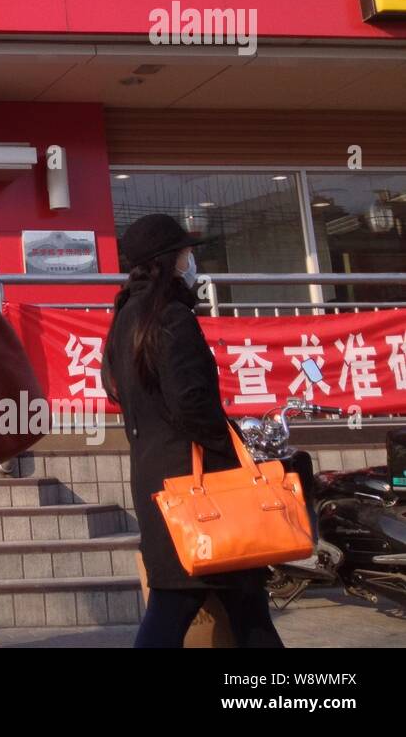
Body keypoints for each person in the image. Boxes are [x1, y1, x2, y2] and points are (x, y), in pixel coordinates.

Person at [101, 213, 285, 648]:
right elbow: (191, 403)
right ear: (169, 261)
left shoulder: (125, 318)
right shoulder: (172, 318)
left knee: (223, 604)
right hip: (205, 492)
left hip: (160, 484)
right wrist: (232, 447)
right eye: (186, 254)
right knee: (217, 605)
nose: (191, 261)